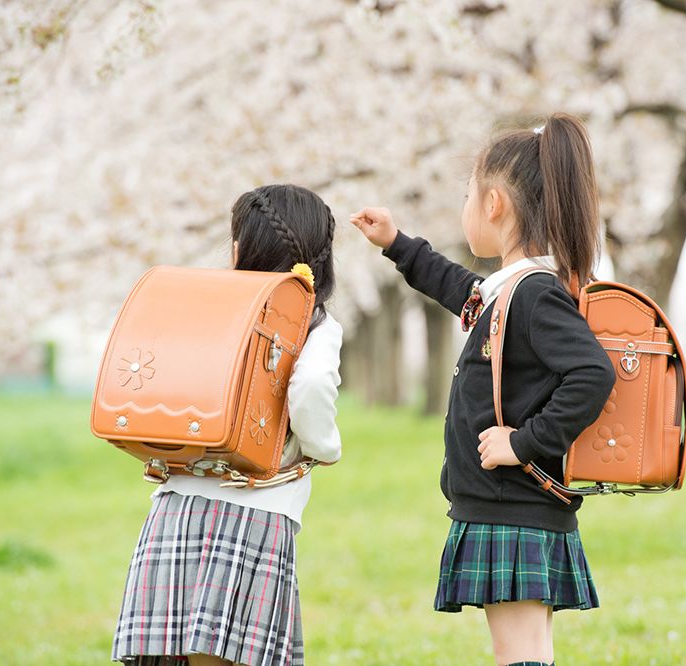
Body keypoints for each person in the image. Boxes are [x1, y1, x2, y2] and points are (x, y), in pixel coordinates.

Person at [350, 112, 616, 666]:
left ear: (494, 204)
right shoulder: (512, 291)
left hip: (514, 506)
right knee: (528, 653)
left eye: (468, 195)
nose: (466, 206)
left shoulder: (534, 293)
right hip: (511, 506)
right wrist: (397, 244)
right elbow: (461, 289)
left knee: (519, 655)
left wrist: (522, 442)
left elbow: (593, 374)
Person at [111, 184, 343, 666]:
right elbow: (312, 384)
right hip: (255, 510)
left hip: (178, 503)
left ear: (239, 250)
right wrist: (324, 446)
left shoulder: (208, 305)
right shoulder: (314, 322)